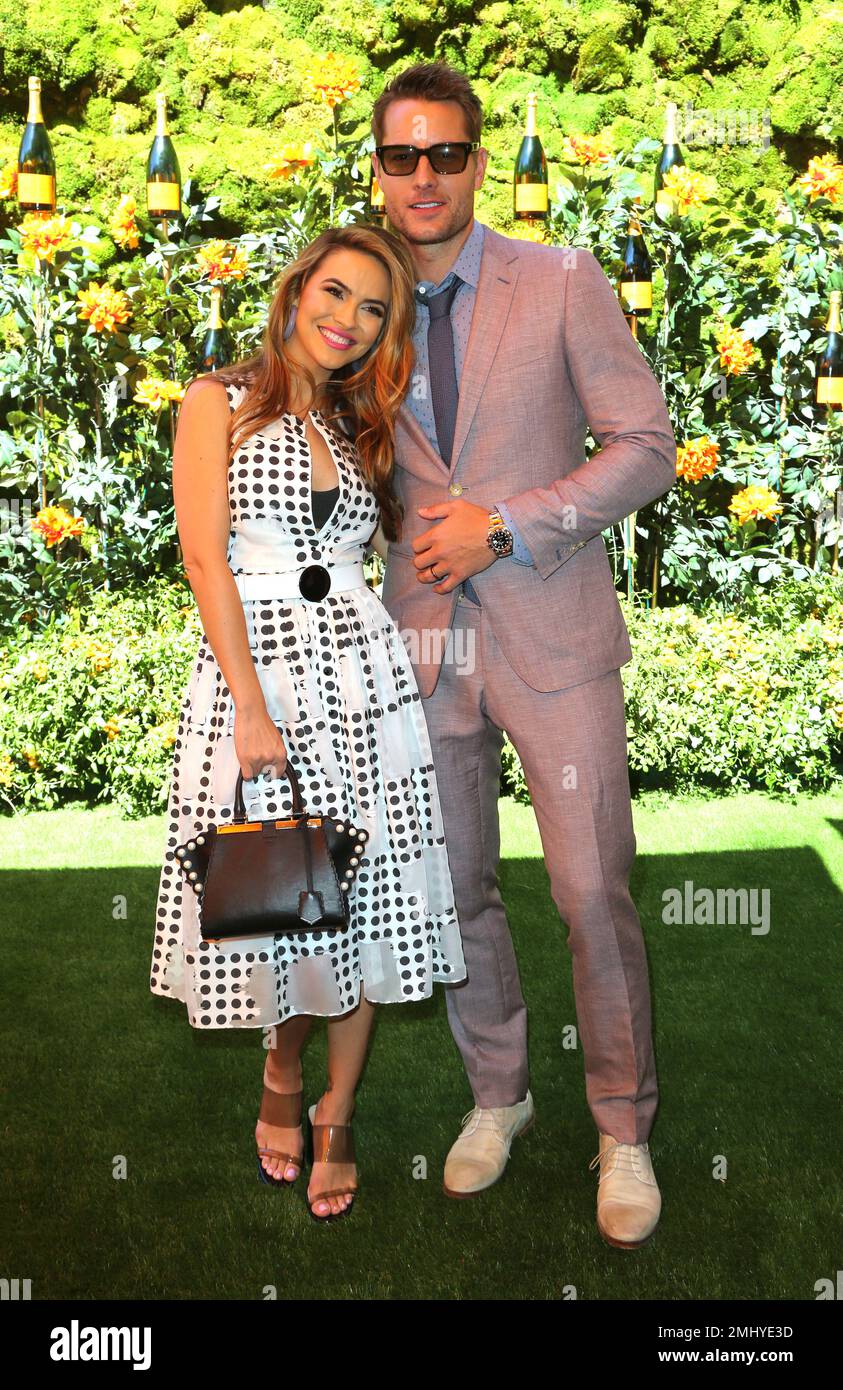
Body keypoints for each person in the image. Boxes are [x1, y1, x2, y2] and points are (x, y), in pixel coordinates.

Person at [371, 62, 677, 1248]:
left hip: (553, 628)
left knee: (591, 888)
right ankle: (498, 1094)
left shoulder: (560, 280)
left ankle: (624, 1124)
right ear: (382, 171)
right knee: (455, 887)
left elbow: (646, 444)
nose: (425, 176)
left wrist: (506, 521)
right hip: (424, 642)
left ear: (479, 162)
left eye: (446, 154)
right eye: (403, 157)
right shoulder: (360, 302)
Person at [149, 223, 467, 1221]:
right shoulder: (219, 402)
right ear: (294, 294)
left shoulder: (357, 421)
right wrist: (249, 704)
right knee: (283, 885)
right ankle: (281, 1073)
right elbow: (206, 559)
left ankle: (336, 1111)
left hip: (362, 675)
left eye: (375, 310)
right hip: (264, 679)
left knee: (361, 890)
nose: (350, 321)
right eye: (336, 294)